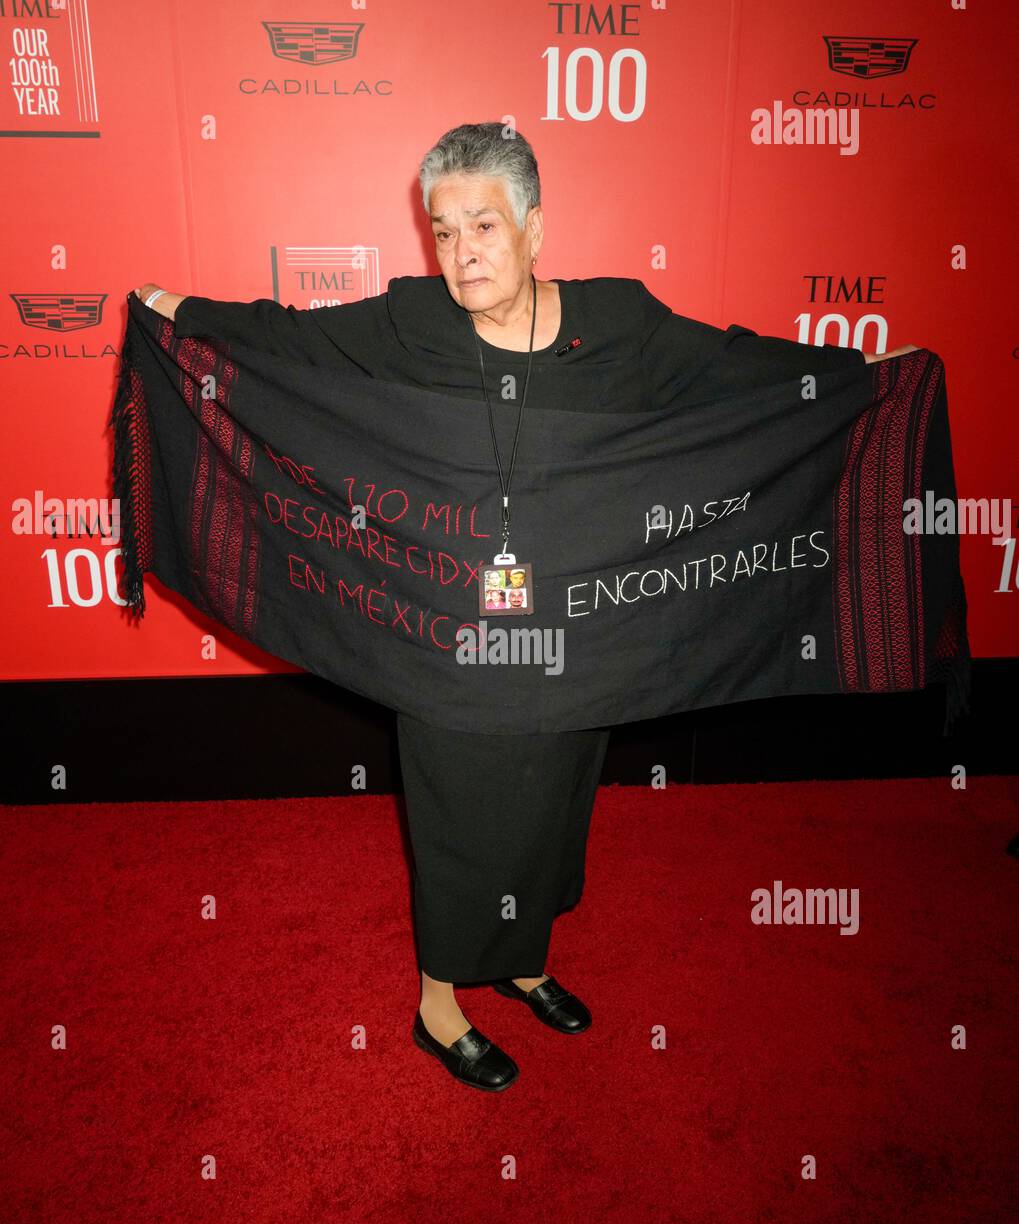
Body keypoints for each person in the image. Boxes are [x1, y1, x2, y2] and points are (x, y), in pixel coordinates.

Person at [134, 121, 917, 1094]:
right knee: (459, 804)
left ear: (535, 230)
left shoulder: (619, 325)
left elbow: (730, 363)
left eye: (484, 227)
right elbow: (290, 333)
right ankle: (437, 1000)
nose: (461, 253)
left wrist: (863, 376)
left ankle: (521, 959)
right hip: (441, 626)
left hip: (576, 628)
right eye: (442, 229)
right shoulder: (414, 322)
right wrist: (175, 311)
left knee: (551, 793)